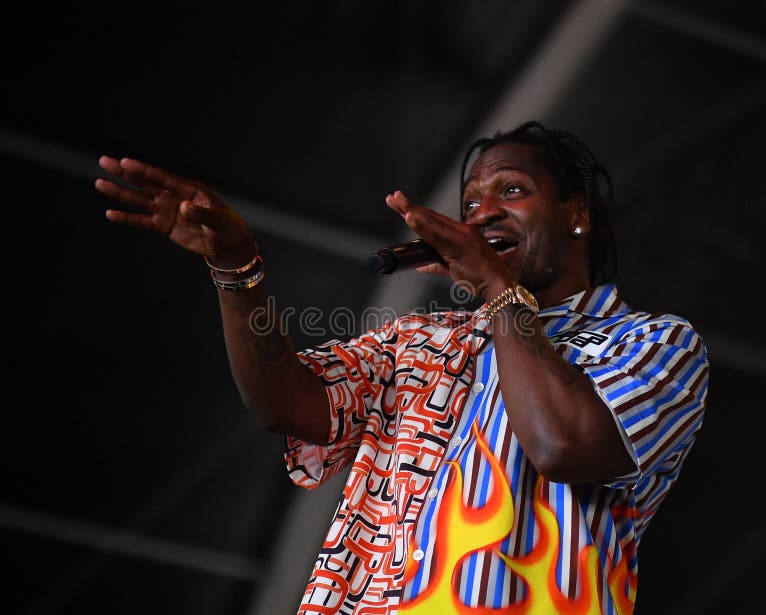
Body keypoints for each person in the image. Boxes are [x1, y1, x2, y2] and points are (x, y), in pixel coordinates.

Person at [94, 120, 709, 615]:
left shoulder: (656, 345)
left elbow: (562, 445)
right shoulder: (417, 340)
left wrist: (499, 293)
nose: (483, 212)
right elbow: (286, 403)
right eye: (471, 201)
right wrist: (237, 268)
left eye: (512, 191)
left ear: (578, 215)